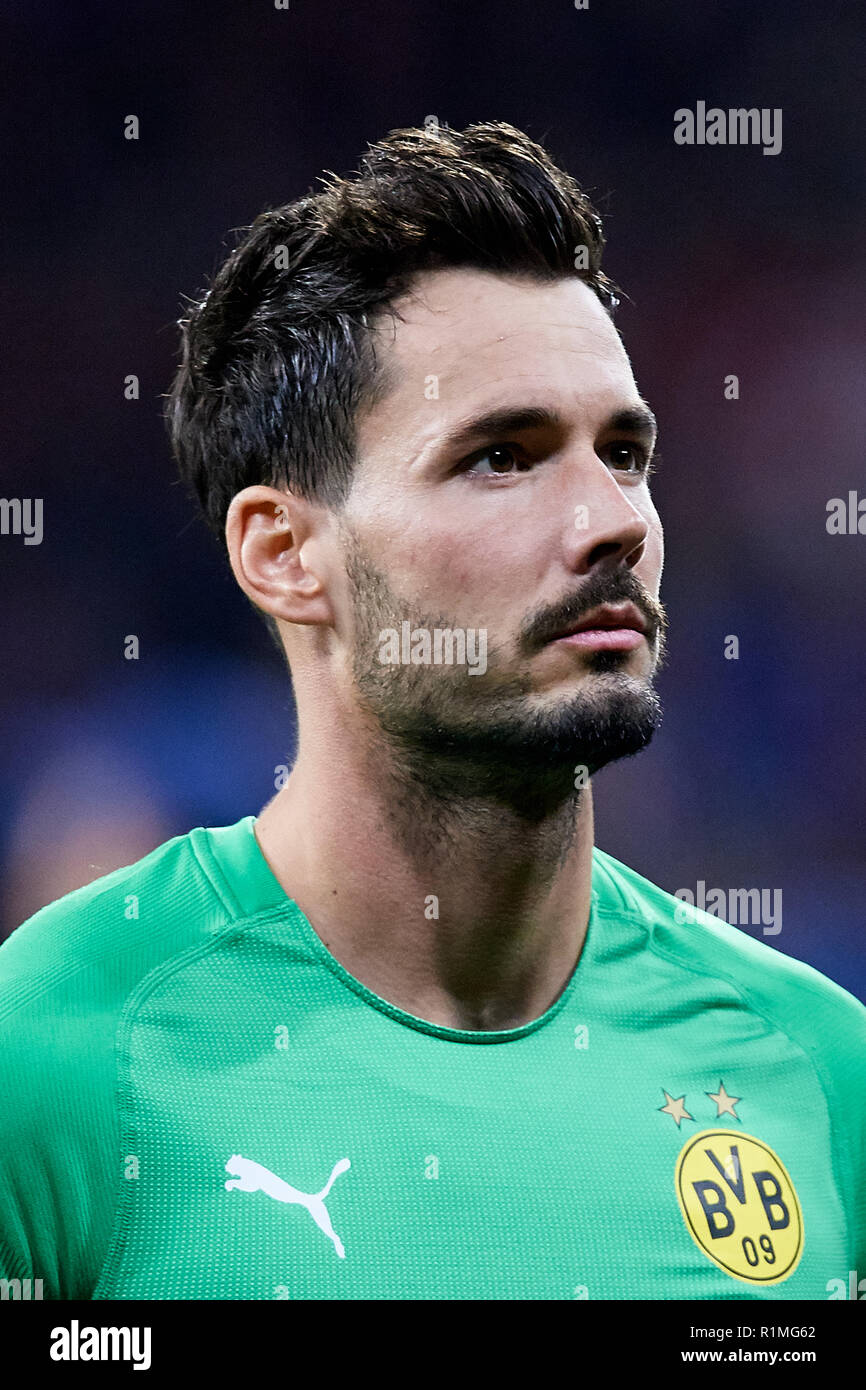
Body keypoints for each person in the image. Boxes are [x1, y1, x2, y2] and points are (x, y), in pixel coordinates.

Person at [0, 122, 863, 1301]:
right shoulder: (51, 1051)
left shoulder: (813, 1065)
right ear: (285, 553)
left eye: (624, 451)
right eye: (501, 456)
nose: (611, 519)